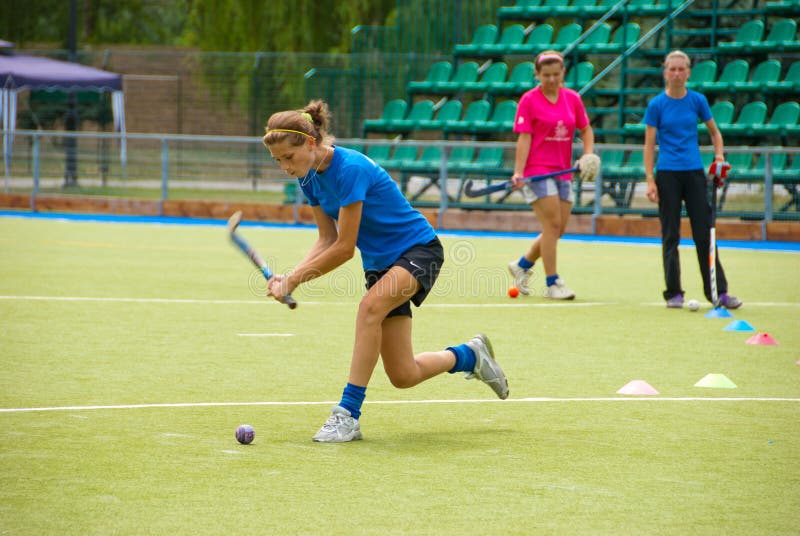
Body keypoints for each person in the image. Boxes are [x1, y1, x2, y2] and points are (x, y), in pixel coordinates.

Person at [262, 100, 509, 443]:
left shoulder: (349, 169)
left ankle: (347, 415)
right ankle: (469, 355)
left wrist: (293, 280)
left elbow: (345, 249)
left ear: (309, 142)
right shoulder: (309, 181)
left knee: (369, 309)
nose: (285, 167)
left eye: (288, 158)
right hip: (381, 265)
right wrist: (291, 276)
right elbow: (326, 238)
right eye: (278, 162)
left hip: (418, 249)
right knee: (404, 374)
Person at [643, 50, 742, 309]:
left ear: (688, 73)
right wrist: (650, 180)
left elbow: (715, 134)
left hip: (695, 174)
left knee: (705, 234)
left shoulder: (697, 100)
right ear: (665, 73)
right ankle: (673, 293)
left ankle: (718, 293)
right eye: (672, 69)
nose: (676, 73)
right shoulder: (656, 105)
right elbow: (648, 145)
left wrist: (719, 157)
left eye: (681, 69)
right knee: (670, 235)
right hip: (667, 175)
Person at [506, 50, 598, 300]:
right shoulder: (529, 100)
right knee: (552, 225)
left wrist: (587, 155)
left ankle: (522, 266)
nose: (552, 80)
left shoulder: (572, 99)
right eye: (546, 75)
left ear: (563, 73)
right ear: (537, 74)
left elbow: (586, 130)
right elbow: (524, 138)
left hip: (564, 170)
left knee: (558, 229)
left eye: (556, 74)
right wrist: (519, 172)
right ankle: (552, 282)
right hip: (537, 171)